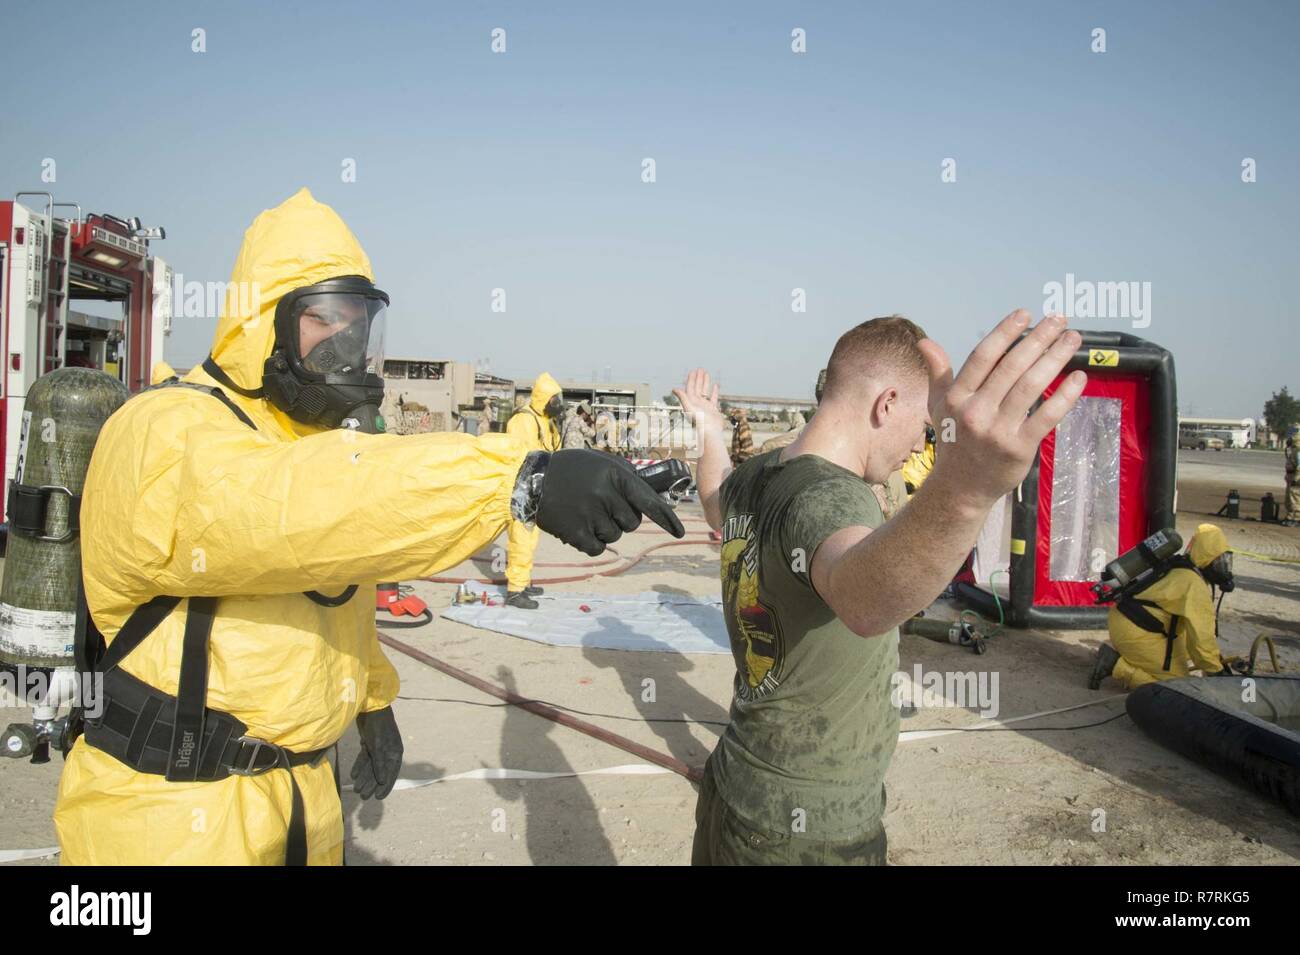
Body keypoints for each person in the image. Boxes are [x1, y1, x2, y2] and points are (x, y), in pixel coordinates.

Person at [53, 189, 682, 865]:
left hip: (303, 799)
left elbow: (340, 584)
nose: (344, 342)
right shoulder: (166, 429)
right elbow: (302, 506)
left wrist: (371, 701)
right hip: (175, 816)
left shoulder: (301, 440)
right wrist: (519, 478)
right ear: (263, 321)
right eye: (323, 318)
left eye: (357, 323)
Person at [676, 310, 1085, 865]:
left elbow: (713, 497)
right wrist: (967, 488)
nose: (919, 447)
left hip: (735, 788)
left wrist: (708, 427)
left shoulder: (759, 475)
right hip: (803, 831)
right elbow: (864, 601)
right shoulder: (832, 496)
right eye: (923, 427)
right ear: (886, 403)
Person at [1089, 523, 1236, 690]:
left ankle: (1132, 656)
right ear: (1206, 559)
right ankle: (1116, 665)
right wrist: (1216, 671)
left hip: (1128, 621)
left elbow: (1196, 638)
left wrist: (1213, 661)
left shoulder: (1182, 568)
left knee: (1189, 648)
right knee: (1178, 688)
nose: (1224, 568)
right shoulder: (1194, 585)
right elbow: (1201, 638)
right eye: (1219, 561)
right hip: (1137, 633)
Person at [504, 373, 565, 609]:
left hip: (535, 487)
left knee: (531, 539)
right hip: (522, 488)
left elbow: (552, 449)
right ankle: (514, 591)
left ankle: (523, 582)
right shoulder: (524, 420)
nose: (558, 404)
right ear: (544, 398)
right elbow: (522, 454)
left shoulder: (545, 421)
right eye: (554, 399)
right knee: (521, 538)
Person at [1285, 436, 1300, 526]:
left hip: (1296, 478)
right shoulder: (1294, 451)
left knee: (1295, 498)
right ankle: (1290, 516)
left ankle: (1297, 518)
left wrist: (1297, 478)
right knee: (1290, 499)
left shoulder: (1298, 452)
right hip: (1291, 476)